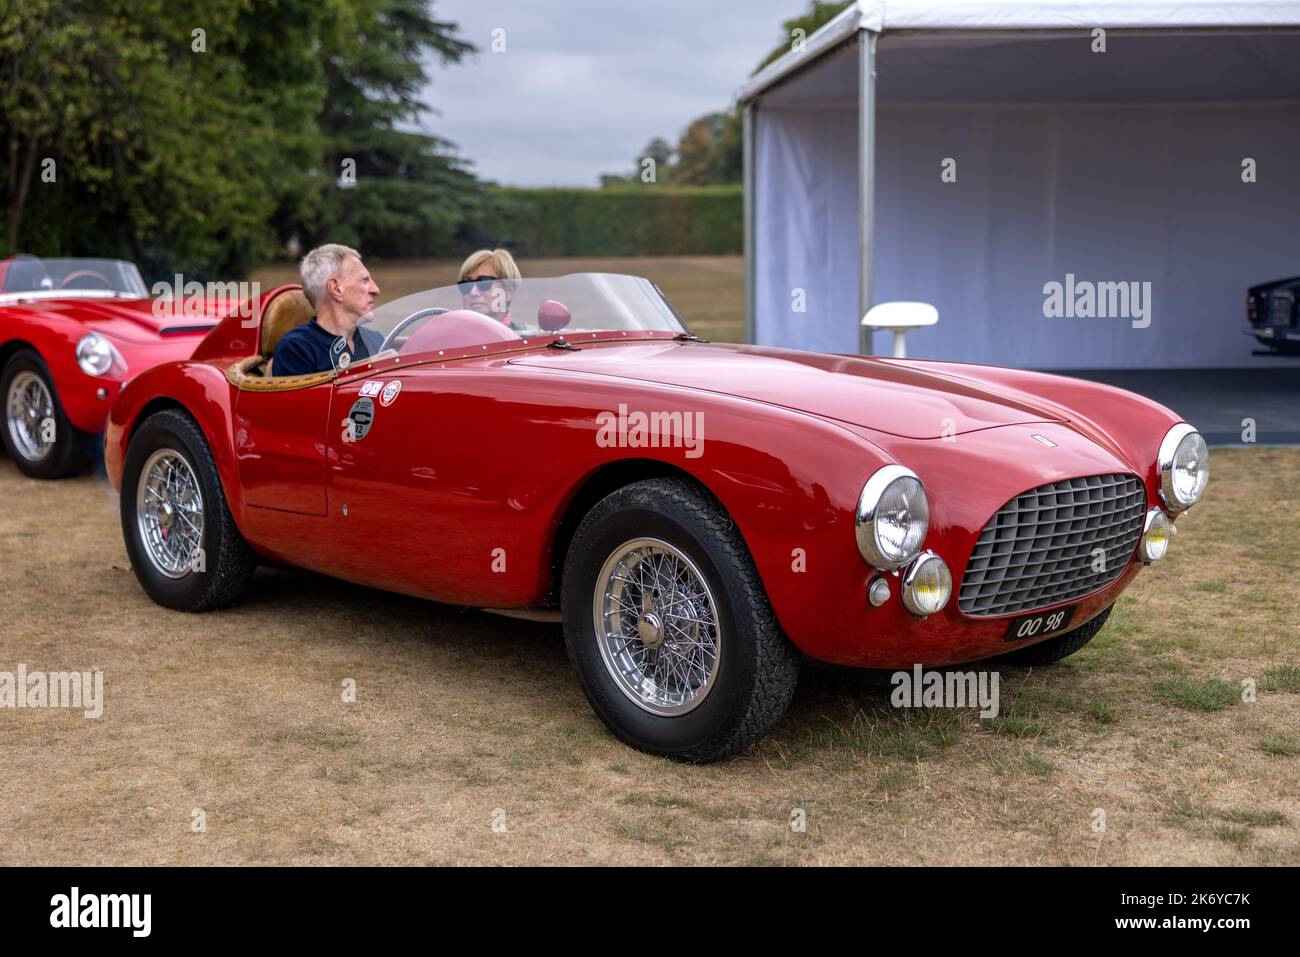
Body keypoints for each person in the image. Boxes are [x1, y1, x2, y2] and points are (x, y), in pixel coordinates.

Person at [273, 244, 383, 376]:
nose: (376, 289)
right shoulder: (297, 349)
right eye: (364, 280)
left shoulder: (375, 340)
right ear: (336, 289)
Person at [456, 248, 521, 327]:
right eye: (466, 284)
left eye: (484, 283)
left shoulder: (530, 336)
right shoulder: (448, 337)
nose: (473, 292)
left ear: (508, 293)